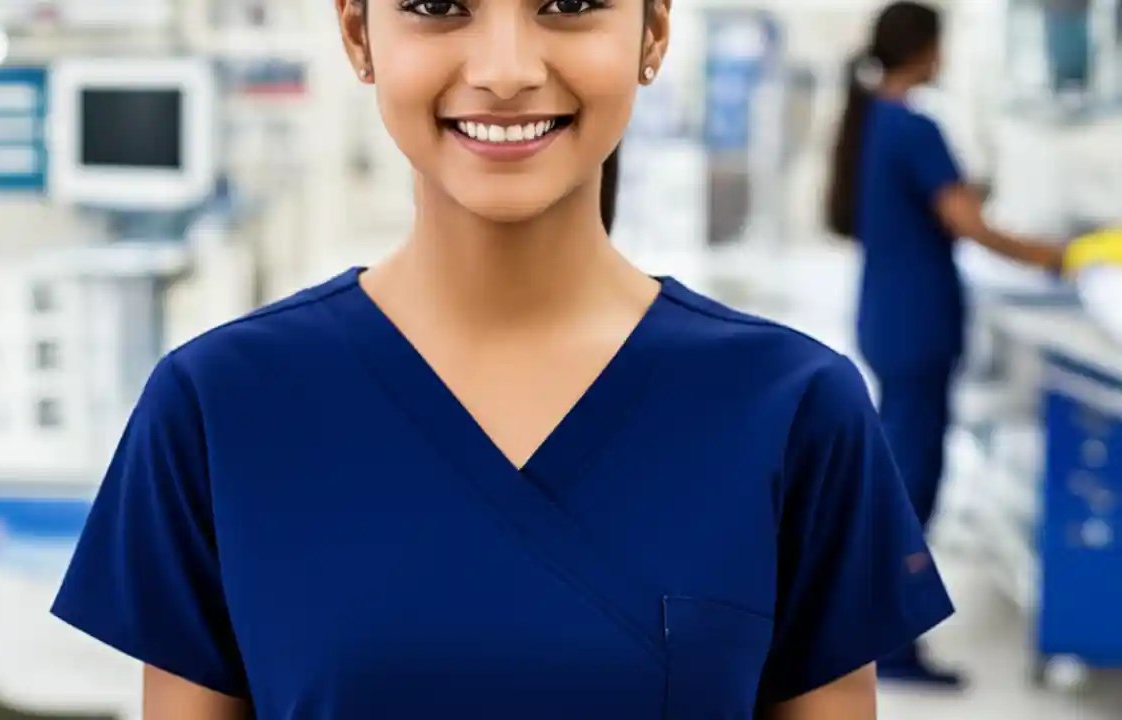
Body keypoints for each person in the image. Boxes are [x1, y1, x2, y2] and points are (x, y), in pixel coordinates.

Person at [52, 1, 954, 717]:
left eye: (569, 2)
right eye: (439, 4)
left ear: (654, 31)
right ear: (359, 33)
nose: (506, 70)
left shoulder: (793, 412)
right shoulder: (218, 411)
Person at [826, 0, 1064, 688]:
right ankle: (887, 645)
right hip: (916, 325)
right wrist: (1056, 255)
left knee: (900, 474)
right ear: (927, 49)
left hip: (890, 319)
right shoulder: (915, 123)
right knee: (910, 484)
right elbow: (967, 222)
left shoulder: (876, 118)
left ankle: (874, 632)